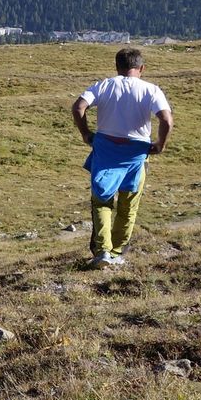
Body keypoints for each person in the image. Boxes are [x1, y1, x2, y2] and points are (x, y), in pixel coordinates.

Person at [71, 47, 174, 268]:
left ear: (117, 67)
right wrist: (160, 145)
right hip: (136, 153)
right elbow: (166, 119)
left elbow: (79, 107)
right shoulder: (151, 90)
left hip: (106, 149)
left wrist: (86, 134)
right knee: (128, 204)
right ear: (142, 68)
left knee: (101, 201)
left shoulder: (104, 85)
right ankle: (117, 252)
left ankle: (102, 251)